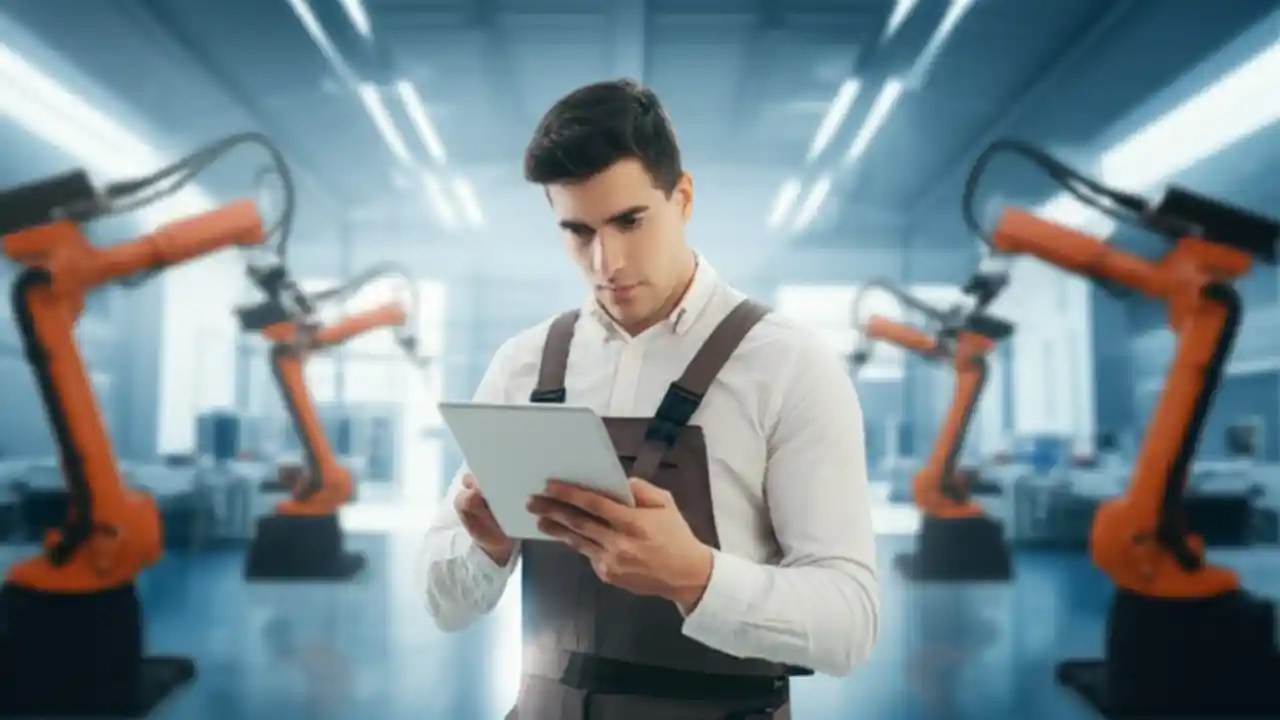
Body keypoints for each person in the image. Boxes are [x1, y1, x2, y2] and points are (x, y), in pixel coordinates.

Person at [419, 78, 879, 719]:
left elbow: (850, 626)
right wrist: (487, 546)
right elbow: (443, 606)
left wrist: (695, 575)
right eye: (578, 231)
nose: (607, 261)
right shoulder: (523, 365)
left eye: (629, 221)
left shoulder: (788, 365)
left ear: (682, 197)